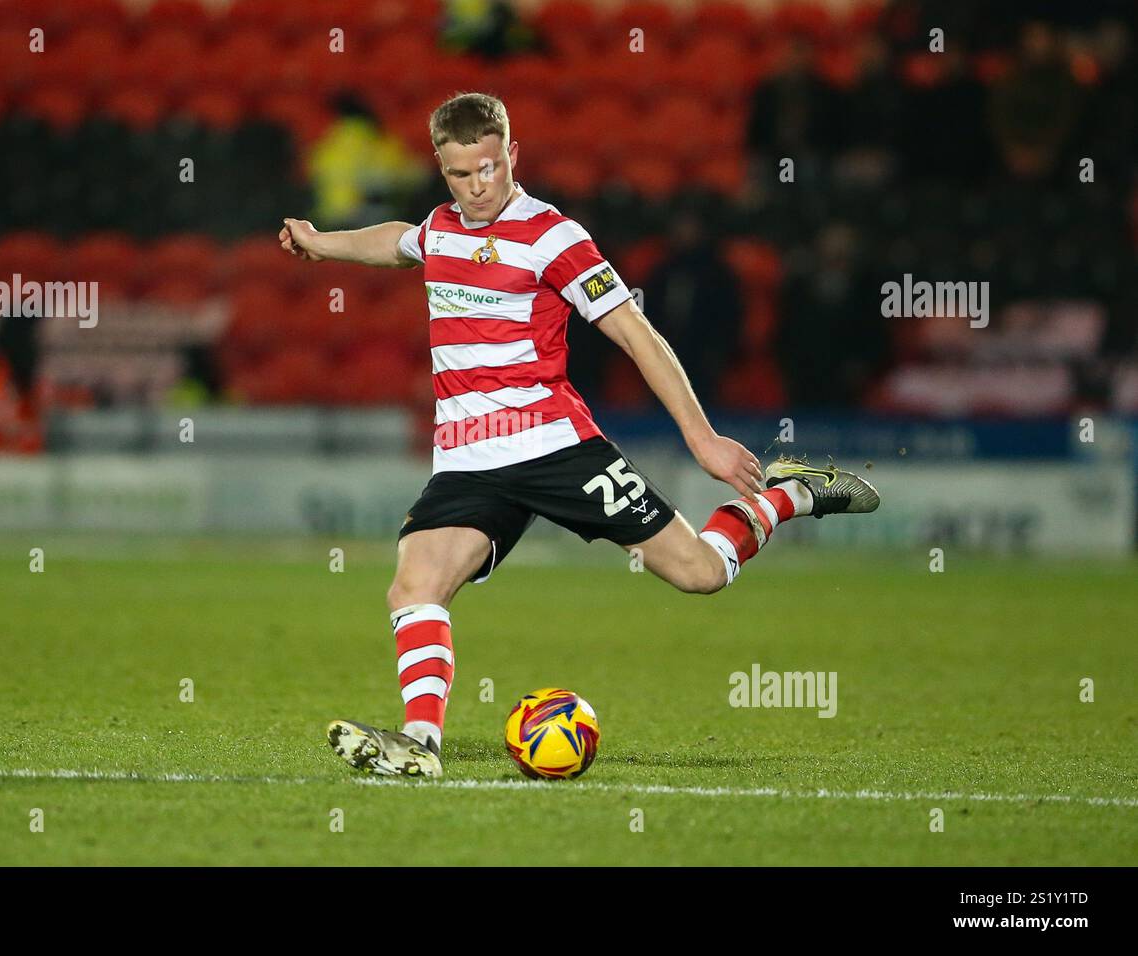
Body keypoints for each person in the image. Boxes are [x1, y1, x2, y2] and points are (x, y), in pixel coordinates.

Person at [279, 93, 879, 778]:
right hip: (469, 462)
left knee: (700, 574)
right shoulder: (441, 228)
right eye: (459, 174)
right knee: (412, 588)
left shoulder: (555, 236)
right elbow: (395, 242)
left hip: (554, 446)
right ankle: (421, 745)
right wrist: (322, 243)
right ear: (442, 171)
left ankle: (789, 495)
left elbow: (637, 335)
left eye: (489, 168)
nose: (477, 187)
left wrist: (703, 437)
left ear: (512, 155)